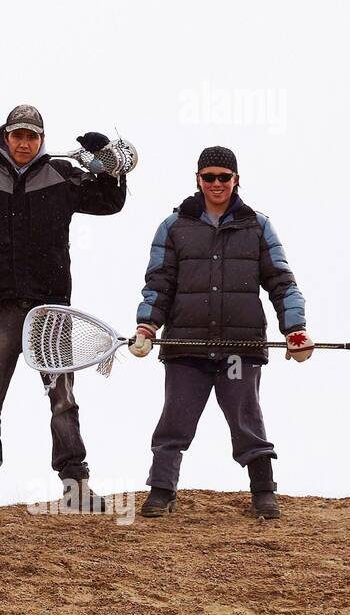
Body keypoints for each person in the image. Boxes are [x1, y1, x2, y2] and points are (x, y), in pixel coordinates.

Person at [0, 104, 126, 510]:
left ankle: (76, 487)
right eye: (17, 135)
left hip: (51, 310)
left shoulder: (63, 175)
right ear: (5, 136)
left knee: (62, 397)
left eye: (32, 136)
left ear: (41, 140)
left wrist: (105, 160)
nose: (24, 143)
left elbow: (109, 201)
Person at [130, 146, 311, 519]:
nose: (216, 183)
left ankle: (264, 493)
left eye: (224, 177)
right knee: (174, 421)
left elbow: (282, 282)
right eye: (209, 176)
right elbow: (158, 282)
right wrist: (147, 324)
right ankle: (161, 492)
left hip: (238, 349)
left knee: (247, 421)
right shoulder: (174, 226)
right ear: (197, 179)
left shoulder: (258, 226)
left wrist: (295, 328)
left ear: (236, 180)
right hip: (186, 347)